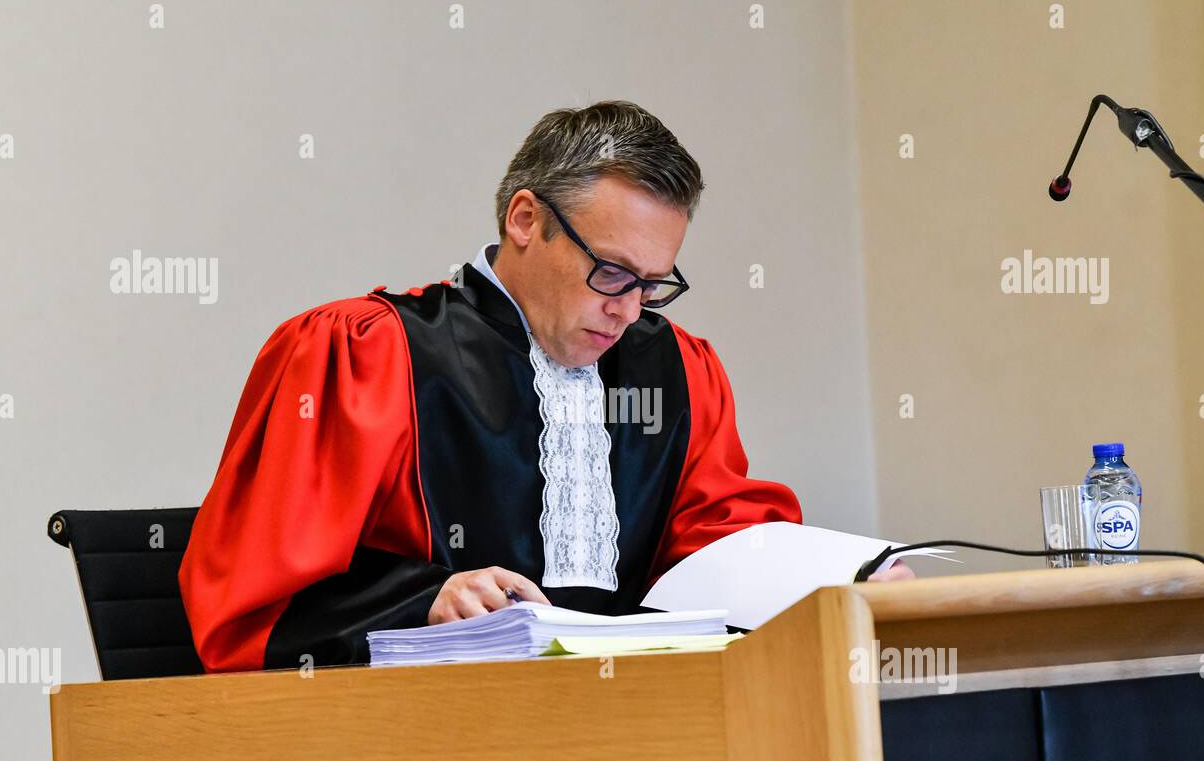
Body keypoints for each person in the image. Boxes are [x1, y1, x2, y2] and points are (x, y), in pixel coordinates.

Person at [177, 100, 911, 673]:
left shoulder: (677, 367)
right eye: (612, 272)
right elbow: (253, 604)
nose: (628, 307)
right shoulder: (366, 353)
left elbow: (712, 543)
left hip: (642, 724)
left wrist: (834, 579)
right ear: (525, 219)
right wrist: (428, 599)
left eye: (655, 284)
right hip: (416, 734)